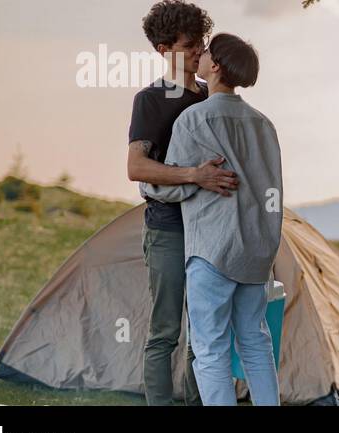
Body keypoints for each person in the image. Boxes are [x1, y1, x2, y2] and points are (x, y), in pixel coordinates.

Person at [142, 33, 282, 406]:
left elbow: (181, 183)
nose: (199, 57)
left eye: (205, 53)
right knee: (255, 342)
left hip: (212, 249)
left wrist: (150, 187)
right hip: (256, 252)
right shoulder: (264, 125)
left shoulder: (193, 119)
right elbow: (271, 192)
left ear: (215, 66)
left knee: (210, 349)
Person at [127, 0, 237, 406]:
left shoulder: (213, 96)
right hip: (169, 230)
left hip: (211, 231)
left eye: (200, 43)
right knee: (165, 333)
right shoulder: (151, 100)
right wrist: (195, 175)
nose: (199, 52)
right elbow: (136, 167)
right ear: (163, 49)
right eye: (189, 44)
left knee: (205, 333)